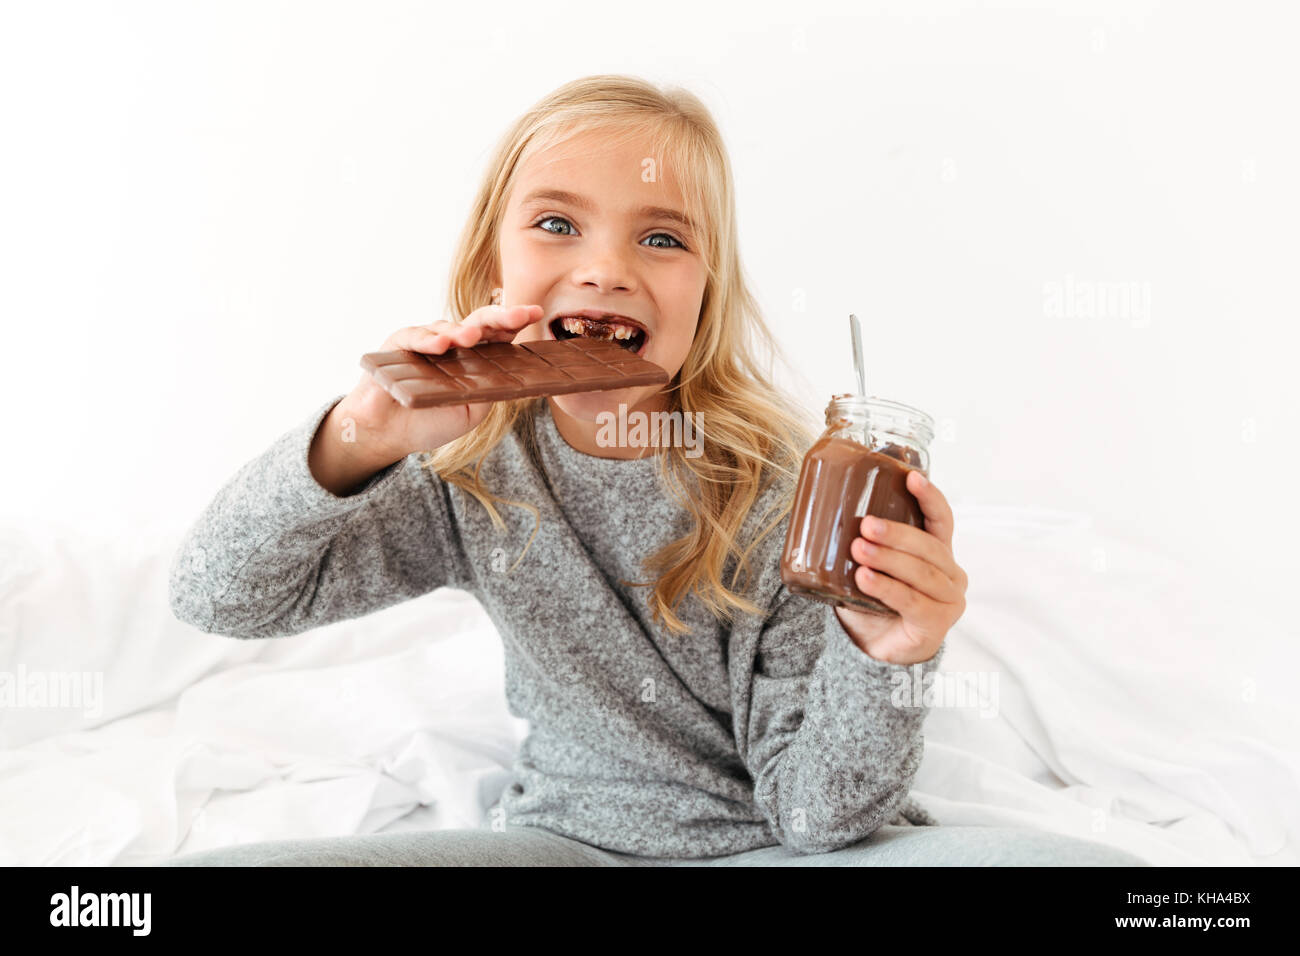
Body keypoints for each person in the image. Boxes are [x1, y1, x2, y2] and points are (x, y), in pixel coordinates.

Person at [164, 74, 1147, 867]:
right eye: (556, 224)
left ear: (705, 295)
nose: (604, 266)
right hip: (561, 843)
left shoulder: (781, 497)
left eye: (662, 237)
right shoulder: (465, 471)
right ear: (490, 268)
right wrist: (360, 433)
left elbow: (817, 813)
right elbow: (220, 596)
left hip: (768, 846)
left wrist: (885, 652)